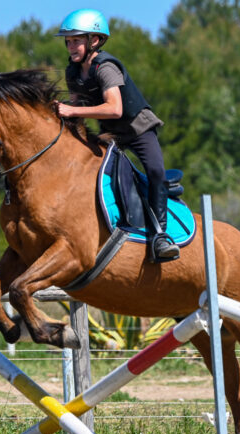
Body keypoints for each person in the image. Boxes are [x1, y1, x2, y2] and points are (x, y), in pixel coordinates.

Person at [54, 8, 180, 260]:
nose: (71, 46)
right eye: (68, 41)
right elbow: (77, 109)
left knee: (155, 171)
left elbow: (114, 108)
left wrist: (69, 108)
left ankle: (161, 236)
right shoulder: (73, 71)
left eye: (77, 40)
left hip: (138, 129)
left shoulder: (106, 67)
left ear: (95, 40)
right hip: (111, 134)